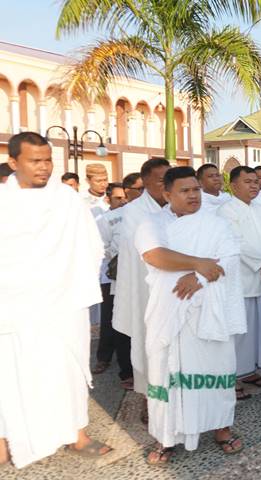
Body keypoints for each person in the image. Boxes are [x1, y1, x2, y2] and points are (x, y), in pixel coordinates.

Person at [0, 132, 112, 468]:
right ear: (13, 162)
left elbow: (91, 246)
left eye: (48, 159)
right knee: (10, 371)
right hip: (15, 305)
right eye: (35, 160)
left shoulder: (66, 199)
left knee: (68, 368)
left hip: (65, 301)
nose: (44, 167)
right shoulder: (3, 203)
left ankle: (77, 435)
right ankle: (5, 441)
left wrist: (68, 281)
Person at [136, 167, 245, 464]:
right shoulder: (152, 223)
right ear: (167, 194)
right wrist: (199, 263)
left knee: (215, 367)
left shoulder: (216, 224)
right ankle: (166, 437)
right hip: (168, 309)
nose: (193, 195)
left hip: (208, 311)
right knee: (165, 371)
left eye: (196, 189)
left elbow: (230, 258)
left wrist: (200, 278)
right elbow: (155, 255)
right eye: (185, 190)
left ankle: (222, 427)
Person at [113, 158, 172, 404]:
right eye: (161, 180)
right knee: (148, 346)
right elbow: (136, 251)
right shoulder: (133, 212)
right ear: (145, 182)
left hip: (174, 290)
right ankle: (152, 401)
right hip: (146, 290)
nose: (166, 185)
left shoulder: (174, 207)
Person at [217, 166, 261, 399]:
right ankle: (232, 377)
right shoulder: (226, 211)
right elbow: (236, 242)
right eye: (247, 182)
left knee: (257, 329)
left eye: (256, 181)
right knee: (239, 330)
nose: (254, 185)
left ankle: (249, 370)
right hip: (240, 278)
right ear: (232, 186)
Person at [92, 182, 133, 389]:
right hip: (113, 276)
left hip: (136, 277)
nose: (123, 200)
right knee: (111, 319)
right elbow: (102, 246)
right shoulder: (107, 219)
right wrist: (118, 257)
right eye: (118, 197)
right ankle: (105, 358)